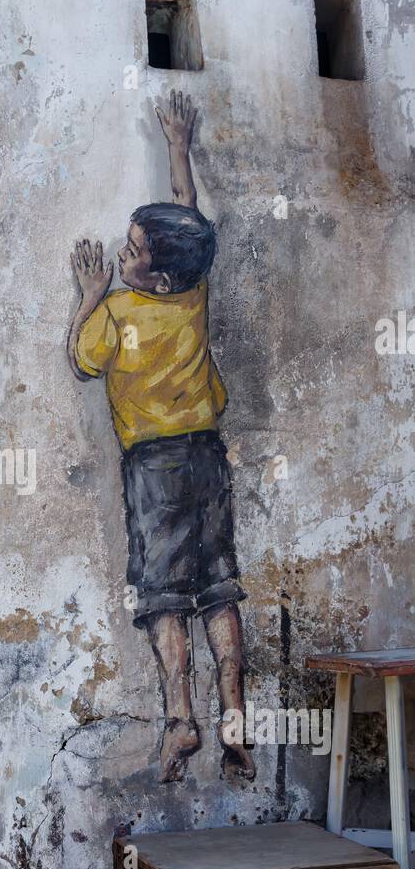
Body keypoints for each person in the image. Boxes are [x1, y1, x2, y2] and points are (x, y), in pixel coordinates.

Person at [67, 91, 254, 784]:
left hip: (154, 467)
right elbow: (191, 215)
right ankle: (236, 716)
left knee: (163, 597)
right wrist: (178, 143)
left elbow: (84, 362)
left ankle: (182, 721)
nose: (123, 252)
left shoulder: (116, 310)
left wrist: (87, 294)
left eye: (134, 250)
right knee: (220, 587)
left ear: (158, 274)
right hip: (208, 455)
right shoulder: (192, 292)